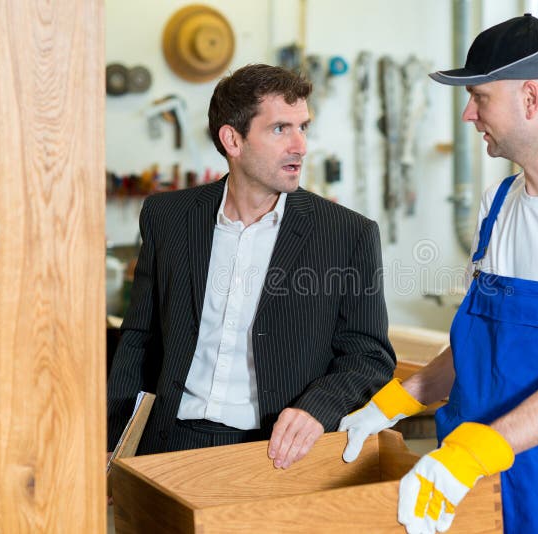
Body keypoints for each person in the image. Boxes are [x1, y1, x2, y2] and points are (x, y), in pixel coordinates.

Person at [339, 14, 538, 534]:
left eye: (480, 97)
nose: (468, 114)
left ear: (530, 98)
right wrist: (397, 401)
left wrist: (472, 454)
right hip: (475, 478)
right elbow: (479, 348)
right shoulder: (497, 205)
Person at [107, 64, 395, 469]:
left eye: (304, 127)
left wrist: (316, 410)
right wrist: (114, 440)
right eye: (280, 129)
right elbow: (139, 337)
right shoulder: (166, 216)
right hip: (168, 445)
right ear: (232, 140)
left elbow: (368, 356)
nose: (300, 146)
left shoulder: (348, 234)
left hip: (275, 451)